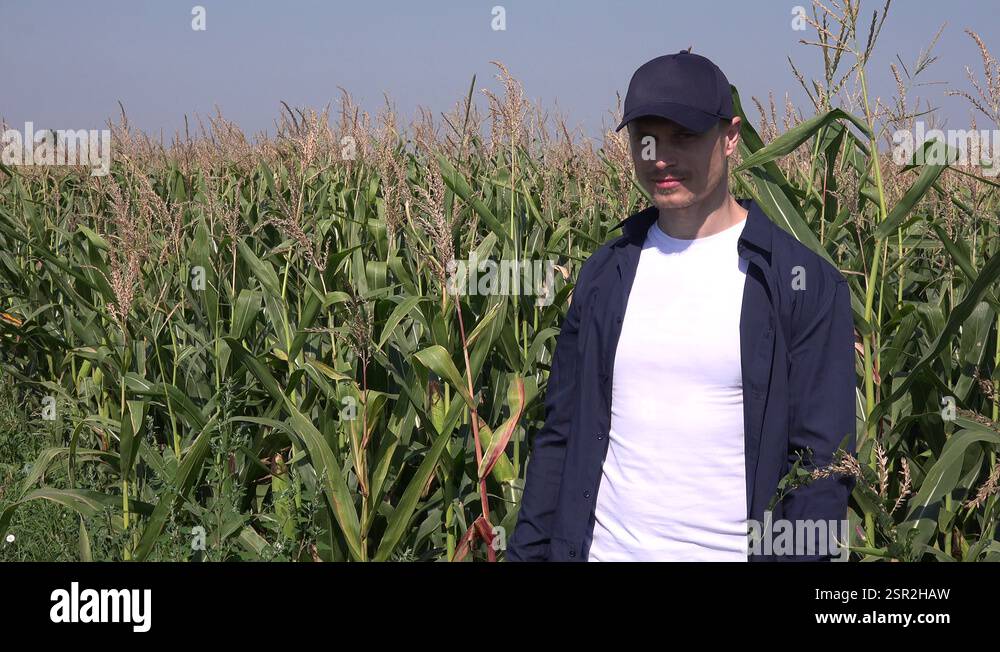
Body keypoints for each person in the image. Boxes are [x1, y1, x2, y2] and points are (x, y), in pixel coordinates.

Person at [506, 50, 857, 562]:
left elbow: (822, 473)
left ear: (731, 136)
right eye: (645, 139)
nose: (661, 158)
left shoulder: (802, 285)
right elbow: (561, 436)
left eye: (684, 136)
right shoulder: (605, 273)